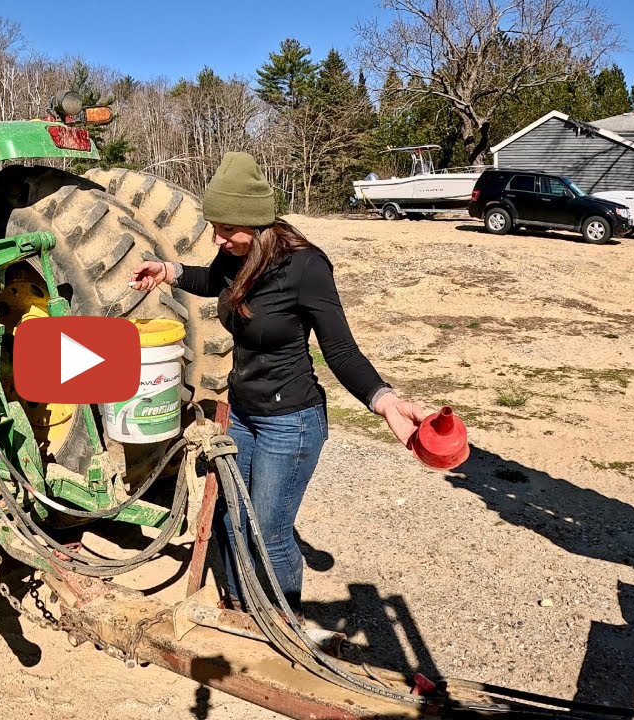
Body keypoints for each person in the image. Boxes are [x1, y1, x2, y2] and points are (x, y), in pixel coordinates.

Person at [130, 152, 431, 613]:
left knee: (269, 531)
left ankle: (282, 624)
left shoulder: (306, 268)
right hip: (245, 414)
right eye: (215, 225)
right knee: (232, 518)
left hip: (290, 423)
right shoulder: (237, 254)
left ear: (257, 223)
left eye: (228, 228)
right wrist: (168, 272)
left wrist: (385, 400)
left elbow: (342, 351)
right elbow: (216, 281)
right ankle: (242, 610)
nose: (218, 236)